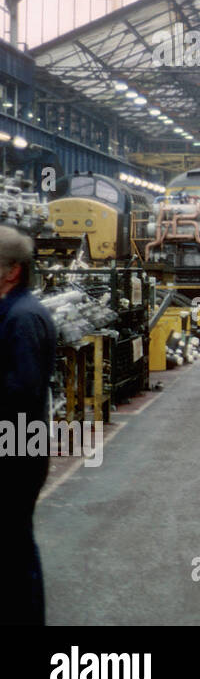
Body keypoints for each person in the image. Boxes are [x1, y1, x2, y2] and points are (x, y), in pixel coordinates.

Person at [0, 226, 56, 625]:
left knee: (14, 540)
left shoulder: (23, 318)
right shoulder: (14, 311)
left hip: (19, 442)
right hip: (18, 439)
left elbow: (24, 388)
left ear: (12, 271)